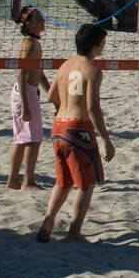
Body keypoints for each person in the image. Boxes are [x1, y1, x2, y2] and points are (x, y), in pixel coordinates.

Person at [38, 24, 114, 243]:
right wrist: (107, 139)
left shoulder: (65, 66)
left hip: (58, 124)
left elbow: (51, 95)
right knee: (86, 184)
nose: (104, 46)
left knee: (62, 181)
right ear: (96, 45)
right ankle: (74, 232)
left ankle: (48, 221)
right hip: (79, 128)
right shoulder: (92, 70)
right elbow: (93, 108)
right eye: (103, 43)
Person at [7, 6, 50, 189]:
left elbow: (38, 71)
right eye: (39, 19)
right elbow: (22, 74)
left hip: (28, 91)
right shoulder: (28, 43)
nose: (43, 21)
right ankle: (28, 180)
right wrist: (26, 106)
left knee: (22, 138)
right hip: (25, 92)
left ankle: (13, 181)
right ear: (28, 24)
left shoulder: (35, 42)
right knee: (33, 139)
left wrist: (51, 92)